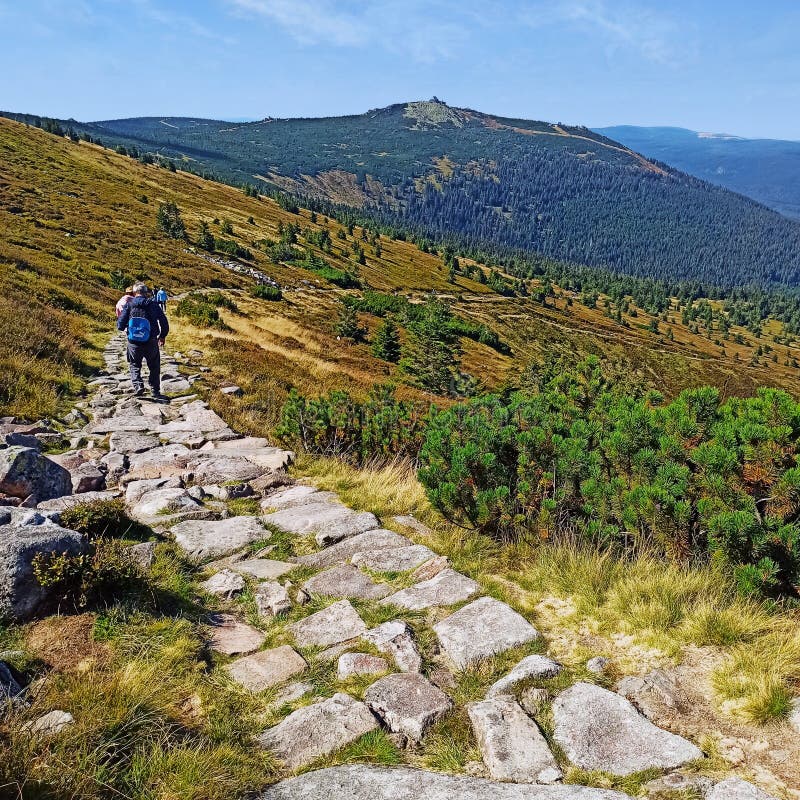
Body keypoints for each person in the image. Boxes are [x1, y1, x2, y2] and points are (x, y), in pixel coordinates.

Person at [117, 282, 170, 399]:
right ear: (146, 293)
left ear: (135, 292)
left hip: (134, 342)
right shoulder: (153, 305)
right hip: (151, 340)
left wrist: (128, 328)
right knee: (154, 366)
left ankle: (138, 385)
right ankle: (155, 390)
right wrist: (162, 336)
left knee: (134, 364)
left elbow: (120, 325)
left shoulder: (129, 305)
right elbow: (164, 322)